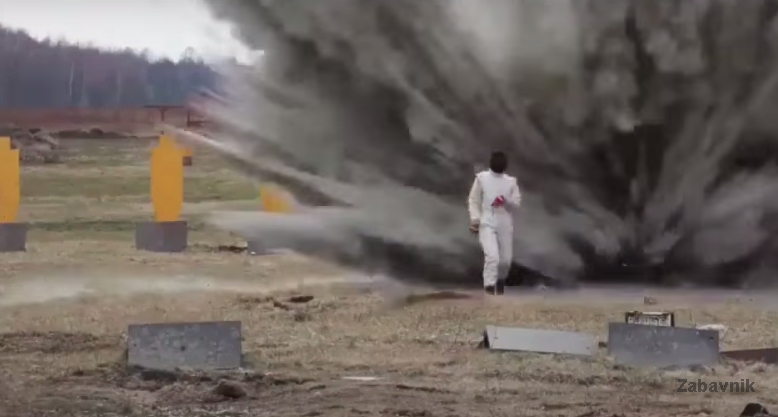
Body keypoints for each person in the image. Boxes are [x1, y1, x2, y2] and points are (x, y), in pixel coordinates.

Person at [467, 151, 521, 295]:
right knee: (492, 256)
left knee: (506, 260)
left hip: (504, 220)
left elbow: (516, 204)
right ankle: (489, 288)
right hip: (487, 219)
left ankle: (501, 281)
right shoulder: (482, 178)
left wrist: (506, 201)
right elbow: (474, 200)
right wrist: (475, 219)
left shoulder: (511, 182)